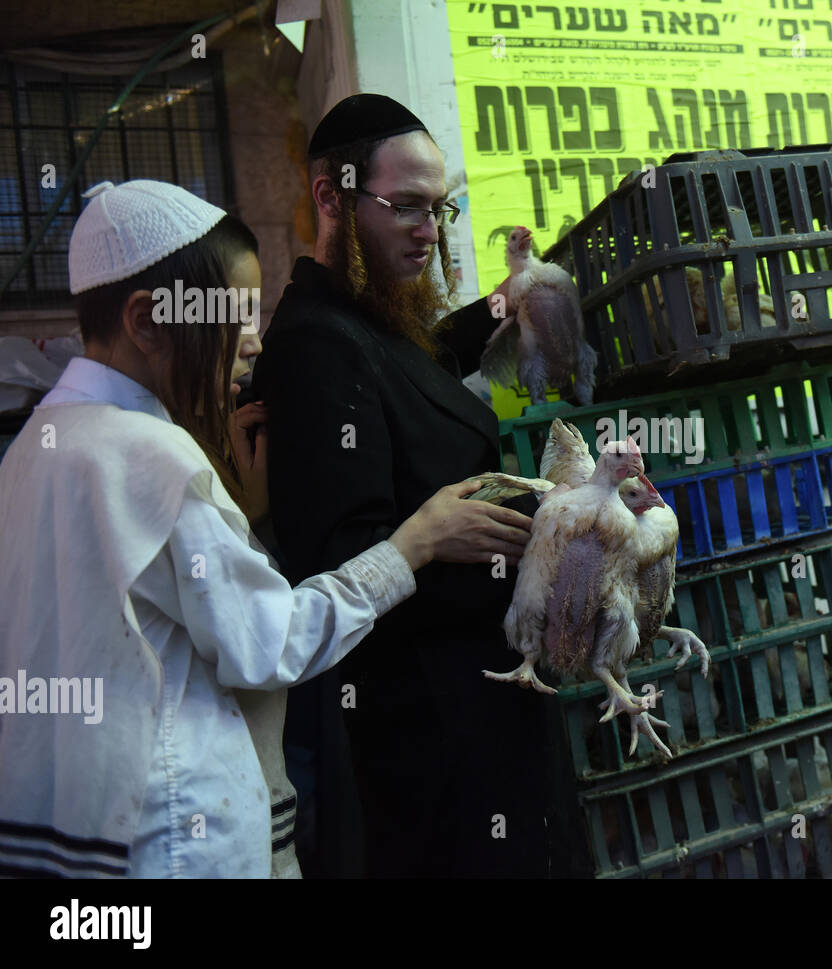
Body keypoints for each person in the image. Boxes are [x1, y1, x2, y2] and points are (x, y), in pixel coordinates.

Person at [0, 180, 465, 877]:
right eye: (236, 315)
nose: (254, 342)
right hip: (176, 842)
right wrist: (414, 543)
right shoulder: (150, 453)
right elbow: (267, 641)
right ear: (147, 322)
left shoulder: (41, 441)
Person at [253, 94, 557, 877]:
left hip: (482, 707)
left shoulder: (371, 317)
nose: (431, 230)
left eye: (441, 208)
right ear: (331, 197)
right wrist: (425, 542)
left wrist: (509, 306)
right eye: (407, 208)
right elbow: (335, 563)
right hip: (429, 737)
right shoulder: (315, 347)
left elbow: (414, 369)